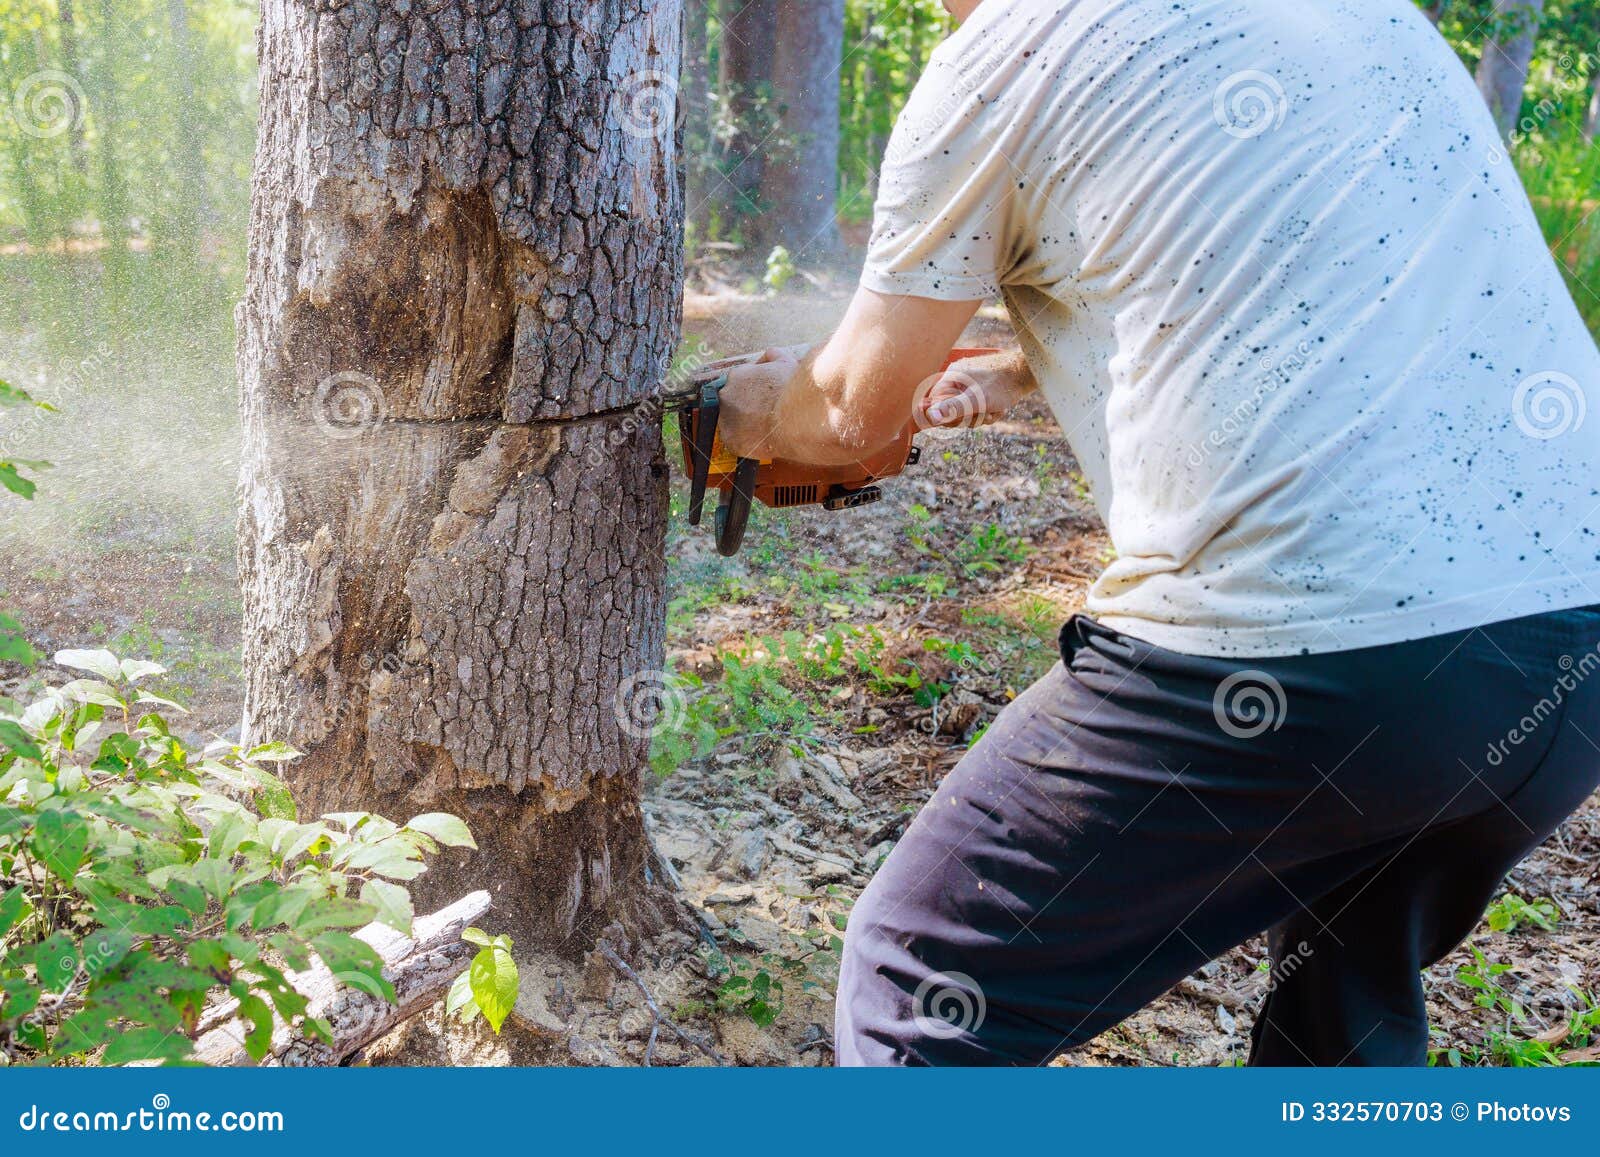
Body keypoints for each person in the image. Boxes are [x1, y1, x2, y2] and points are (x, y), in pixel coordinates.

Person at [715, 0, 1600, 1066]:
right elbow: (1309, 284)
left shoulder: (1002, 62)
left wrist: (748, 410)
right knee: (1338, 1015)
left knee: (920, 975)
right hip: (1562, 641)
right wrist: (1012, 372)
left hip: (1321, 655)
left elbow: (850, 414)